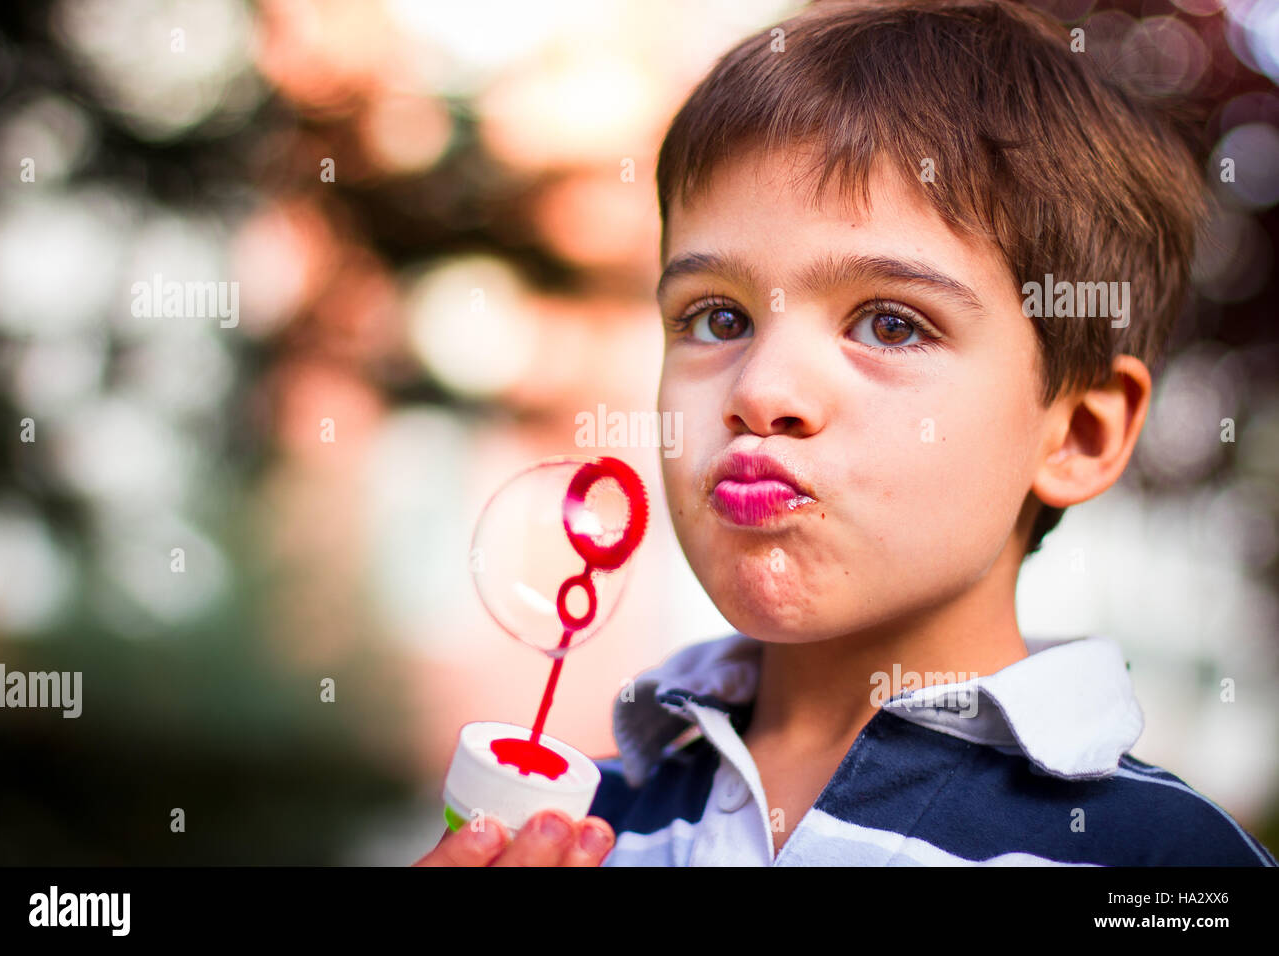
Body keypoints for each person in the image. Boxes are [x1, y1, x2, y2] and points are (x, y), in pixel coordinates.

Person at [413, 0, 1277, 867]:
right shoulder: (584, 830)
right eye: (717, 318)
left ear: (1078, 435)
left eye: (891, 325)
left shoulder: (1166, 863)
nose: (760, 391)